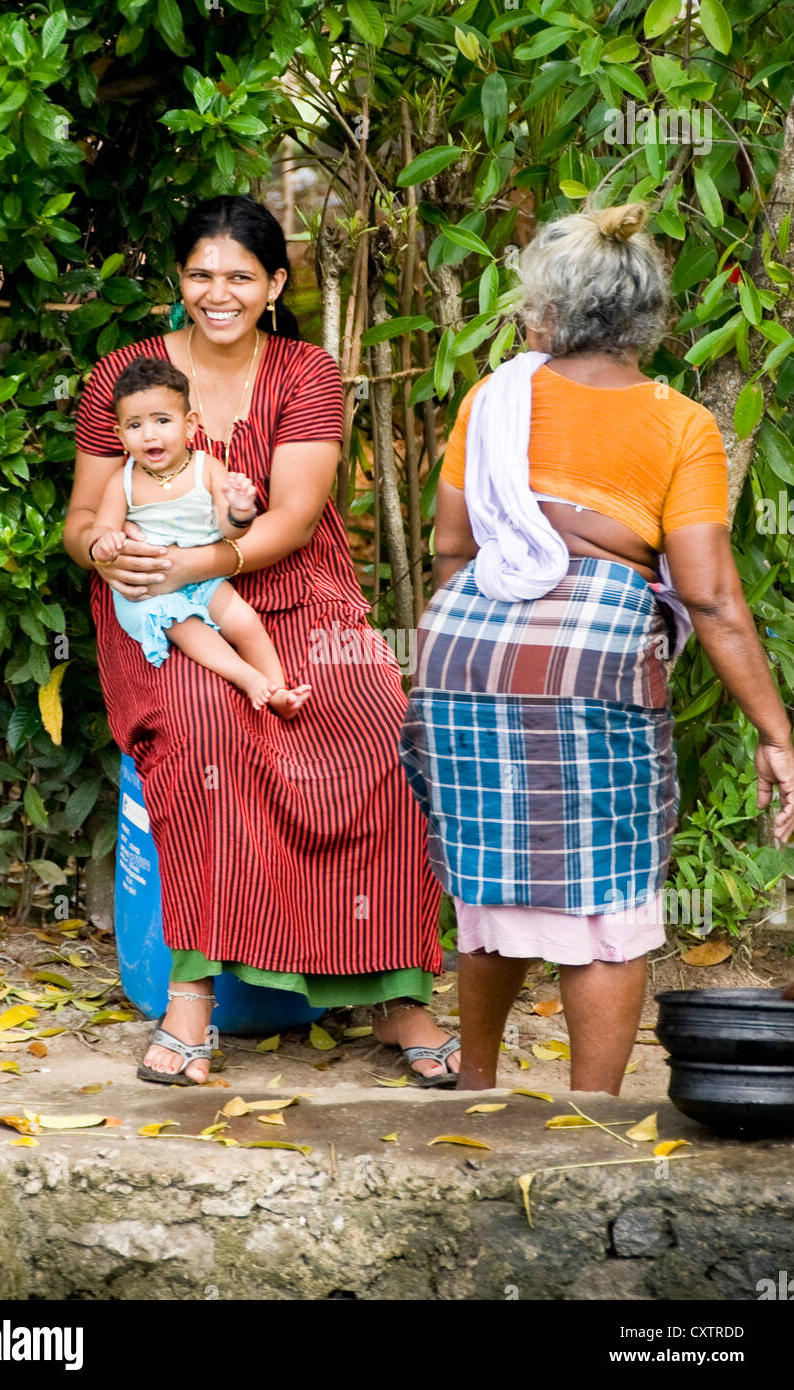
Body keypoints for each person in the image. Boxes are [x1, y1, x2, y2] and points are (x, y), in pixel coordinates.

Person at [65, 195, 460, 1086]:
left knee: (376, 720)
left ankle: (399, 993)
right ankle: (195, 998)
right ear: (179, 280)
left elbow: (294, 514)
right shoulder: (124, 379)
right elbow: (82, 517)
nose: (219, 292)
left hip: (295, 588)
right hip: (166, 615)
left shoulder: (306, 372)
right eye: (201, 273)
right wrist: (108, 552)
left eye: (240, 276)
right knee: (206, 722)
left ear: (275, 285)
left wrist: (202, 556)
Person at [399, 203, 794, 1094]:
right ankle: (593, 1124)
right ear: (648, 315)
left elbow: (452, 550)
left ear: (546, 309)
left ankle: (478, 1095)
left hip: (461, 649)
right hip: (592, 658)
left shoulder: (492, 398)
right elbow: (710, 594)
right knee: (607, 893)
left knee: (491, 879)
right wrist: (776, 732)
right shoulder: (678, 422)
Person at [87, 356, 311, 718]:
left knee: (245, 622)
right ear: (120, 435)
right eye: (135, 425)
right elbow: (101, 528)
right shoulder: (123, 481)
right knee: (187, 628)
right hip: (148, 593)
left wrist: (239, 509)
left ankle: (279, 692)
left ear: (189, 424)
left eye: (162, 420)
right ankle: (247, 678)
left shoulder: (207, 469)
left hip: (203, 578)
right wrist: (104, 544)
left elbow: (230, 531)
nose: (149, 434)